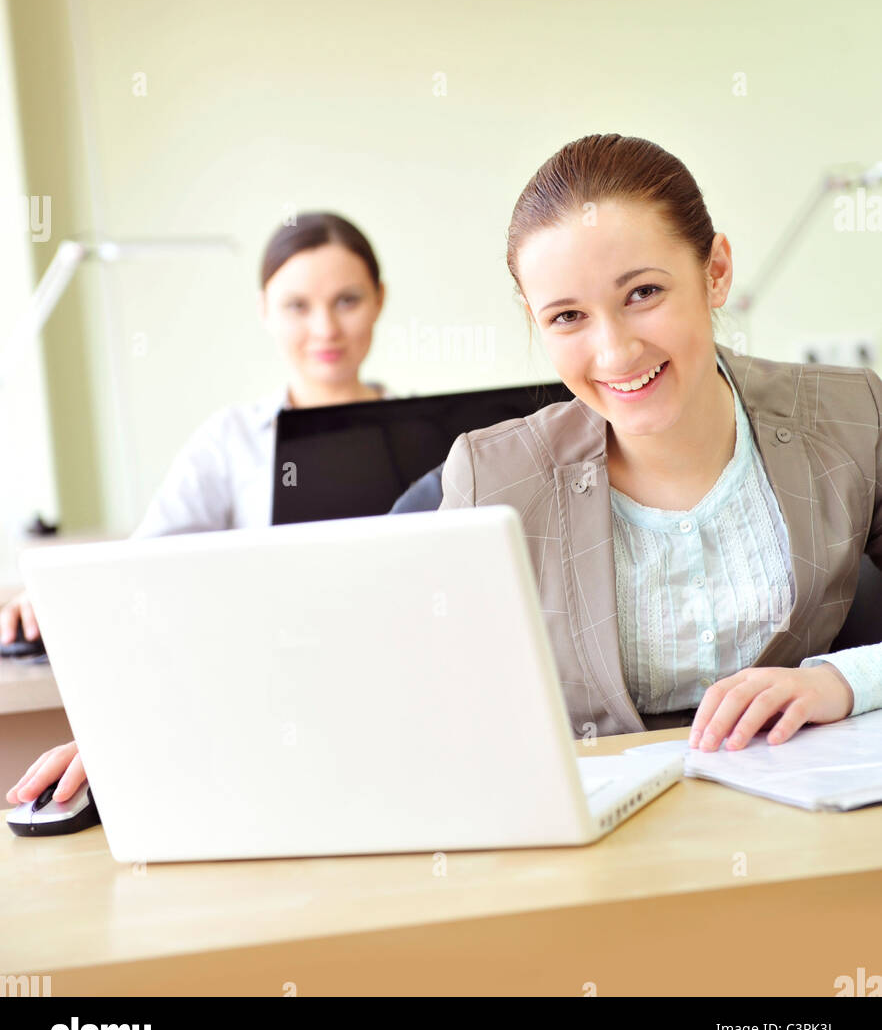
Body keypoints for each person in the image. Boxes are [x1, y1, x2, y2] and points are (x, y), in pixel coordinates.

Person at [438, 133, 882, 752]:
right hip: (603, 830)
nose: (616, 352)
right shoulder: (494, 478)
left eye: (642, 293)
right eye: (568, 316)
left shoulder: (850, 413)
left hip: (807, 813)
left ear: (716, 272)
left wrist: (845, 680)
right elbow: (440, 698)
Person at [1, 211, 392, 643]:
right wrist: (55, 596)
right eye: (297, 306)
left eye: (347, 301)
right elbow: (145, 563)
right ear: (264, 310)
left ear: (380, 299)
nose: (325, 329)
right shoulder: (230, 439)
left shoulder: (443, 442)